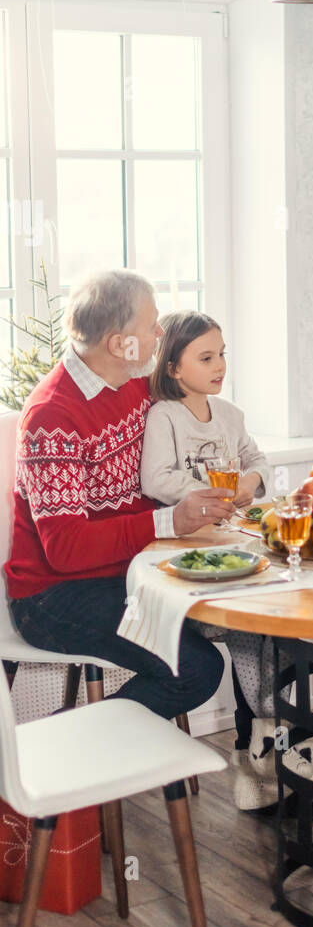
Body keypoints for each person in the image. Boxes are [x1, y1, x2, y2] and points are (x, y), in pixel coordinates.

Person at [5, 270, 228, 720]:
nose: (159, 334)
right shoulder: (53, 416)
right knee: (197, 669)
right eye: (151, 326)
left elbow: (196, 394)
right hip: (55, 596)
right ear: (117, 343)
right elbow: (65, 548)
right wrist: (168, 522)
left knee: (238, 617)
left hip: (127, 573)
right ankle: (71, 749)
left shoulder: (133, 383)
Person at [140, 310, 274, 811]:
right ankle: (251, 750)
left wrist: (249, 484)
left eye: (222, 354)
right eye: (206, 357)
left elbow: (258, 461)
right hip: (189, 556)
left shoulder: (230, 414)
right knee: (245, 631)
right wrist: (207, 493)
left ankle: (267, 745)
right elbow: (155, 480)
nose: (220, 365)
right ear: (173, 367)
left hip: (236, 545)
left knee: (264, 629)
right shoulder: (165, 416)